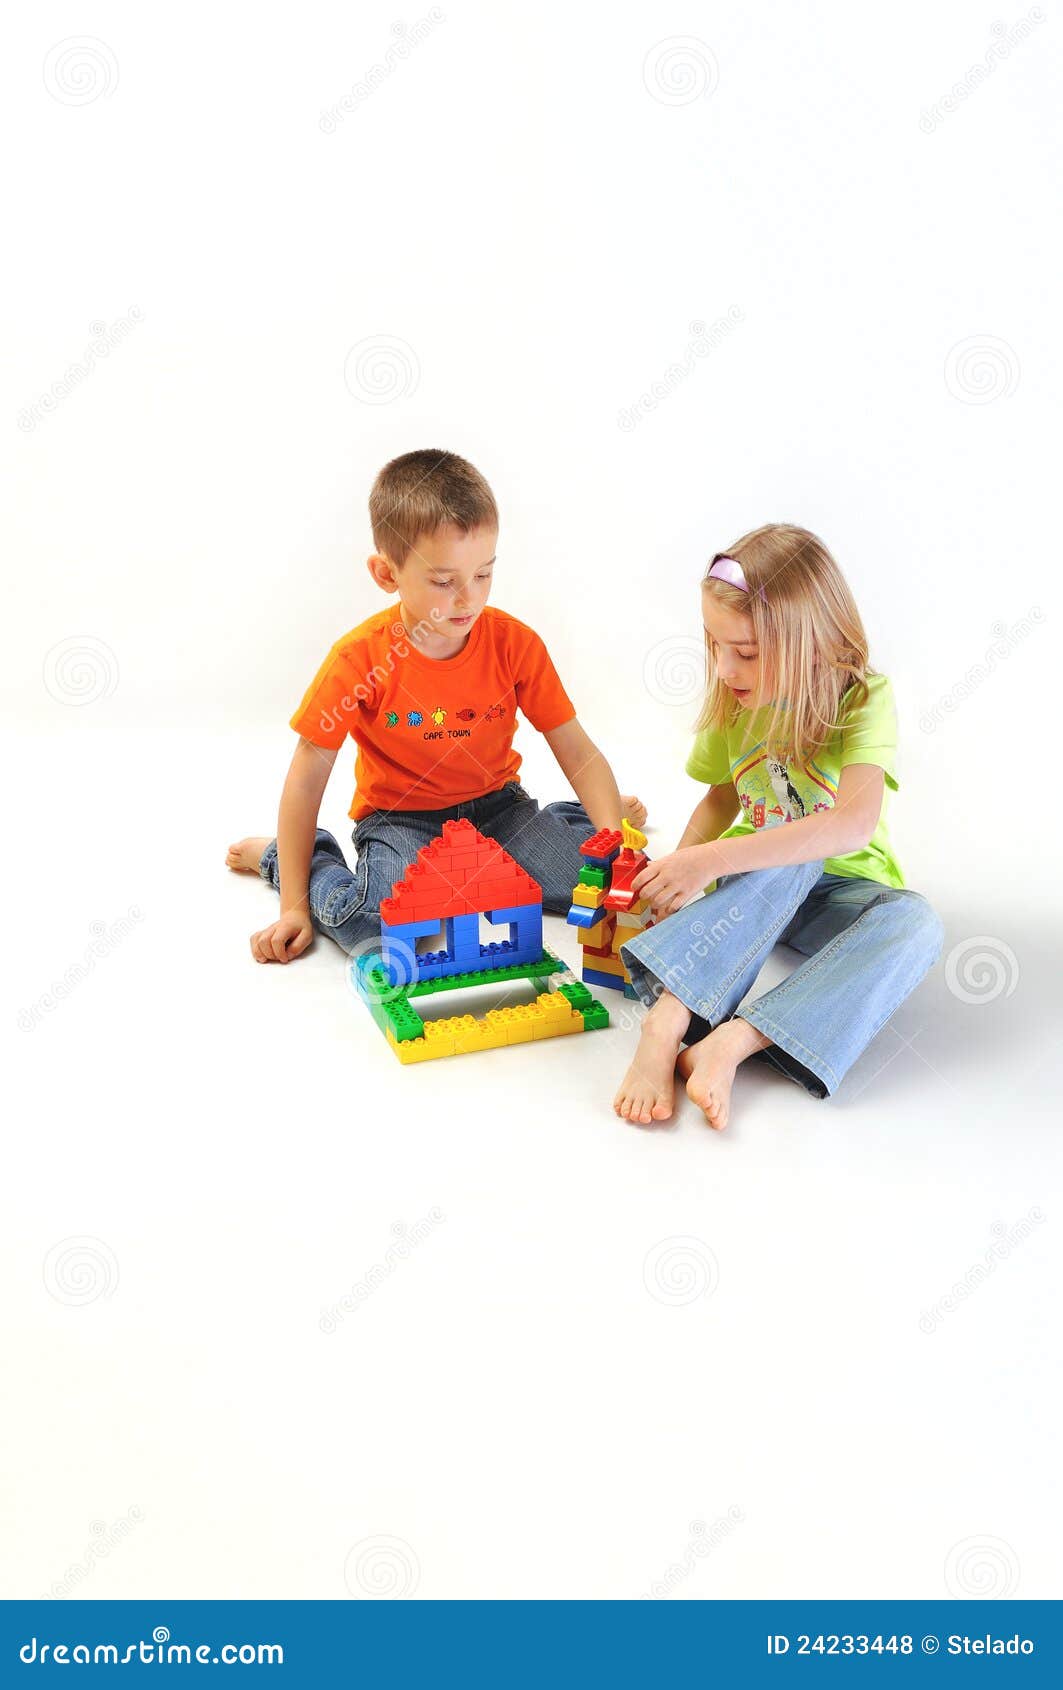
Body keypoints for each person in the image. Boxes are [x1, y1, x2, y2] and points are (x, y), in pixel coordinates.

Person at [226, 448, 645, 963]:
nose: (469, 599)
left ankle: (582, 818)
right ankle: (288, 857)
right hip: (401, 820)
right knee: (377, 931)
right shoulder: (359, 660)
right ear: (387, 574)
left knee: (602, 890)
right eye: (445, 582)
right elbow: (306, 777)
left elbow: (576, 750)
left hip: (500, 810)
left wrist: (611, 843)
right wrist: (294, 906)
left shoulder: (516, 645)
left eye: (484, 574)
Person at [613, 524, 943, 1129]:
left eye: (746, 651)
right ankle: (667, 1020)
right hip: (753, 891)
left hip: (841, 894)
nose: (723, 666)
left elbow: (848, 826)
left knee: (917, 922)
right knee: (783, 857)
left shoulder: (863, 699)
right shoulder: (733, 702)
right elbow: (718, 801)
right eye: (714, 644)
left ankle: (732, 1044)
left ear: (811, 643)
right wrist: (675, 878)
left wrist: (705, 863)